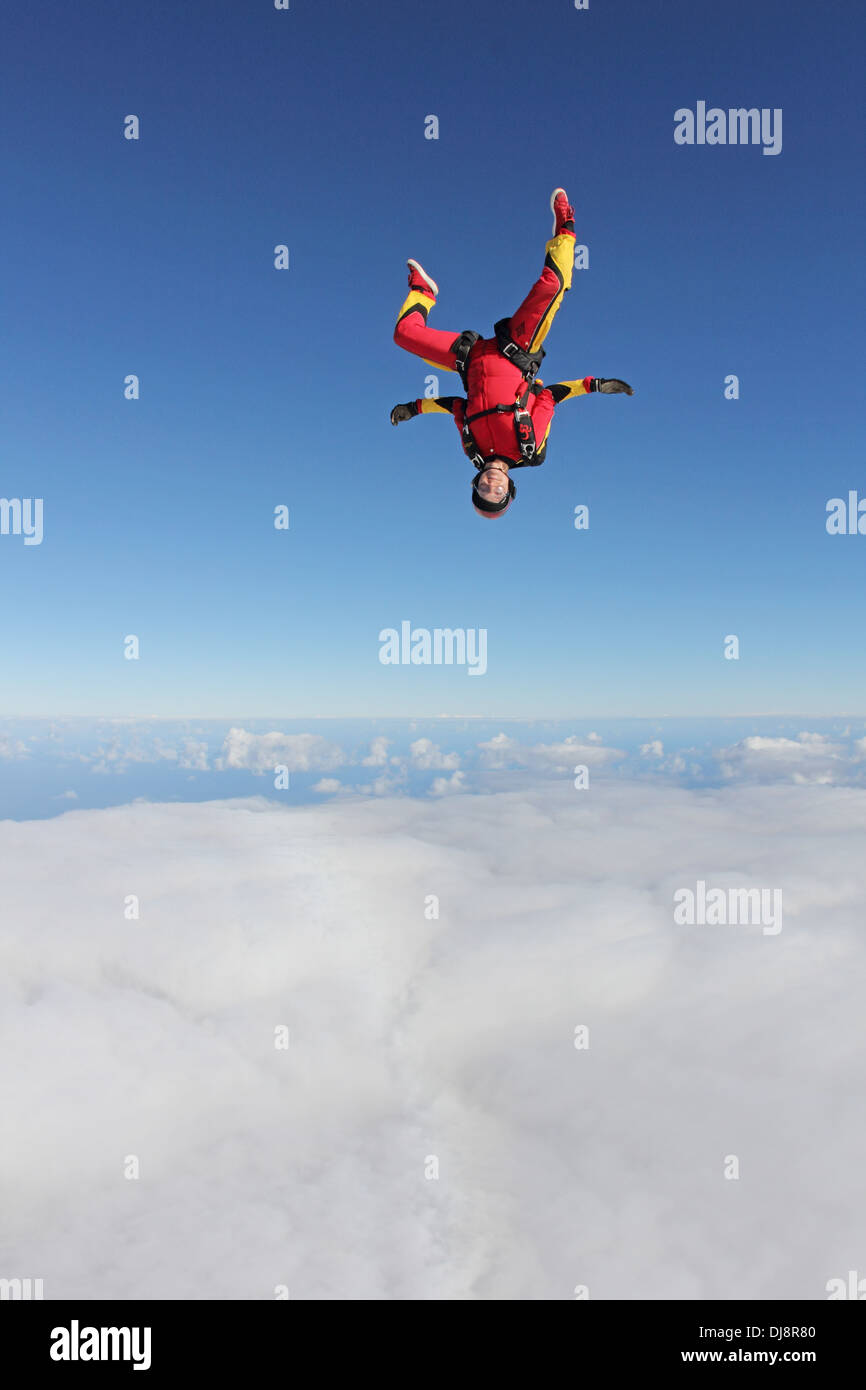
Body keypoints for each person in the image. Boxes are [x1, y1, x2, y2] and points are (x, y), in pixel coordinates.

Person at [391, 188, 634, 519]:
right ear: (509, 489)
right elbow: (550, 396)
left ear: (475, 484)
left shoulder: (471, 449)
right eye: (499, 493)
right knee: (552, 286)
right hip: (516, 351)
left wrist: (414, 408)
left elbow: (456, 406)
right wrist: (594, 384)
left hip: (470, 358)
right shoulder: (530, 450)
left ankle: (422, 291)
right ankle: (566, 227)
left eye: (483, 491)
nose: (492, 486)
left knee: (405, 335)